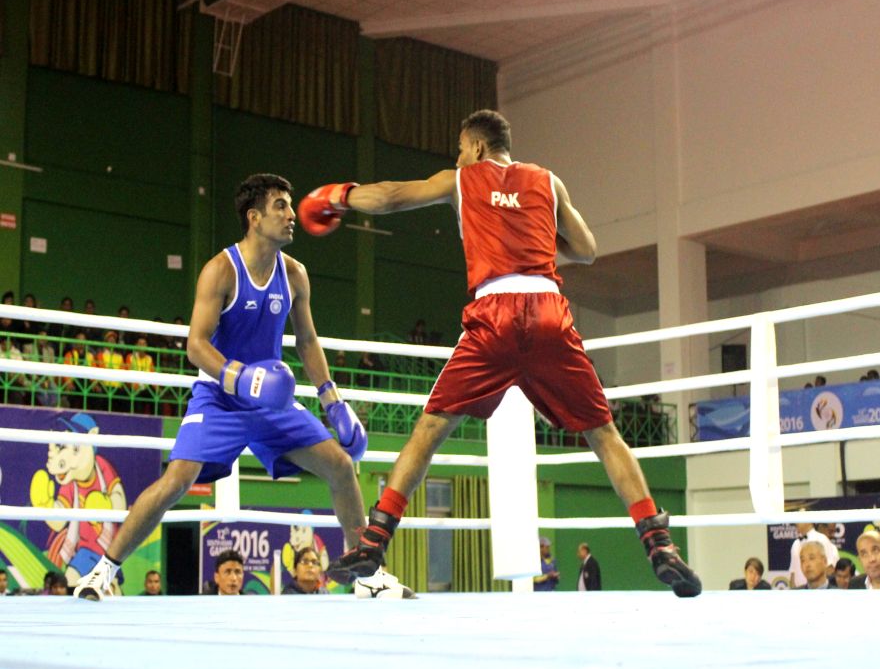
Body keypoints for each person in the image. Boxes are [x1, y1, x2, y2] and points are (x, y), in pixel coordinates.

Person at [309, 110, 701, 597]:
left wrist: (337, 196)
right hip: (548, 311)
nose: (458, 157)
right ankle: (659, 543)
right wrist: (529, 244)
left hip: (493, 312)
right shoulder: (548, 181)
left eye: (459, 148)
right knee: (602, 432)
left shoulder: (462, 178)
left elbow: (389, 196)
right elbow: (587, 248)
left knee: (431, 427)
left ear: (474, 148)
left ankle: (373, 539)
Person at [73, 174, 404, 600]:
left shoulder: (295, 275)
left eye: (289, 205)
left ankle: (366, 574)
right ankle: (102, 572)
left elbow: (306, 340)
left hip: (273, 401)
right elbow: (196, 344)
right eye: (281, 206)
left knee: (341, 465)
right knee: (176, 481)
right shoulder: (220, 270)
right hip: (220, 397)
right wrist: (239, 377)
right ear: (254, 217)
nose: (291, 215)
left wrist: (331, 397)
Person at [788, 521, 838, 588]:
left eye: (812, 558)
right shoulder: (795, 544)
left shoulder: (822, 539)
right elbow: (793, 573)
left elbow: (830, 568)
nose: (796, 522)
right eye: (802, 560)